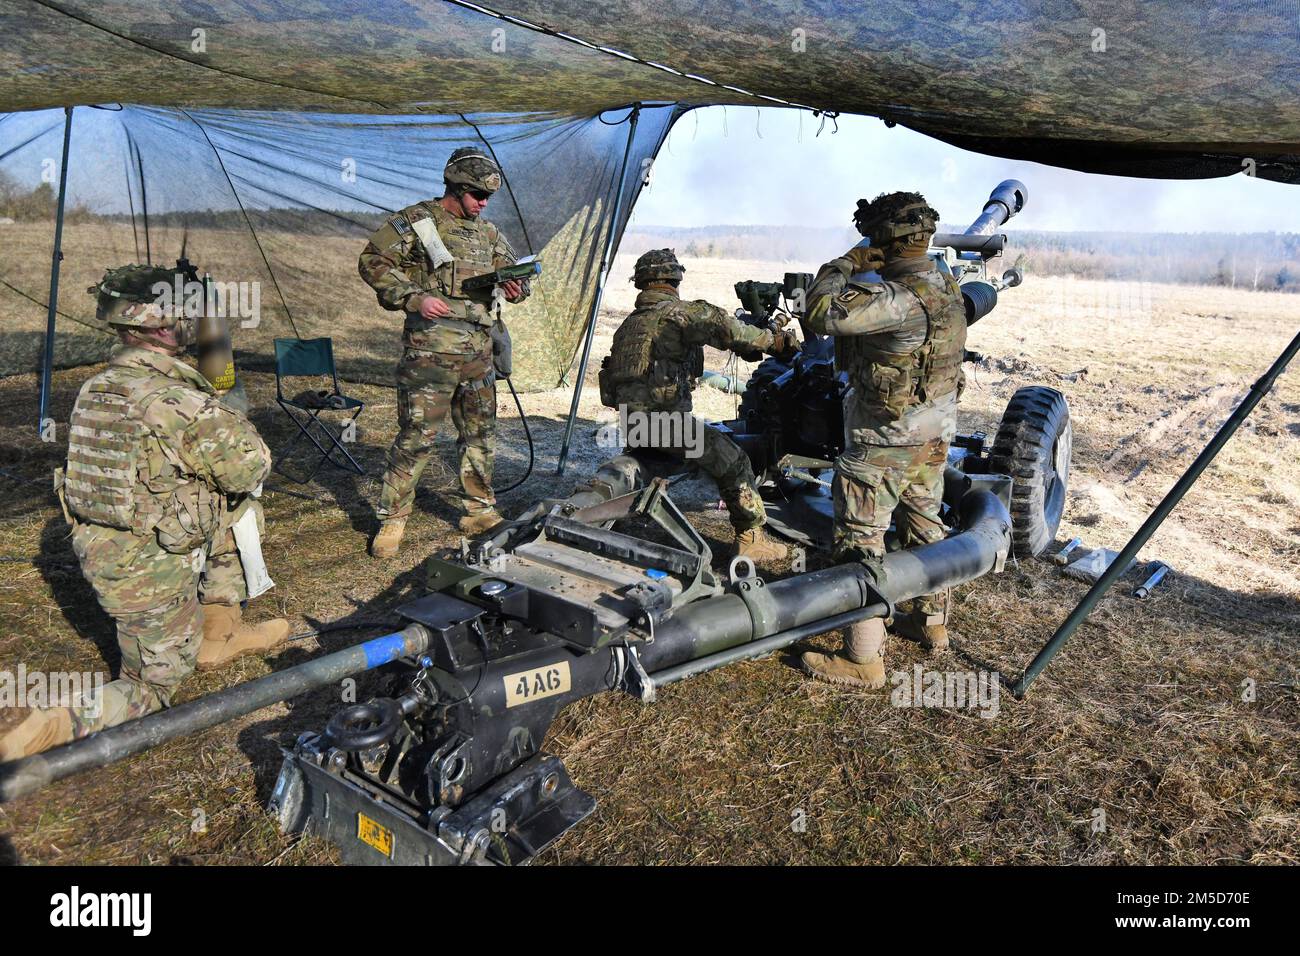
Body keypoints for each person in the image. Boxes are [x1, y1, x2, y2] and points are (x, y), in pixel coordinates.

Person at [0, 265, 289, 760]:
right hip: (148, 574)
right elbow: (252, 467)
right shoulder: (177, 401)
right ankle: (45, 726)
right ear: (162, 327)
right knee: (151, 690)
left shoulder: (98, 388)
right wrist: (221, 406)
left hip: (108, 551)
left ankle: (218, 634)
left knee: (235, 514)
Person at [798, 192, 967, 688]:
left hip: (882, 444)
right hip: (934, 438)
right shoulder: (947, 287)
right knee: (925, 526)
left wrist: (845, 263)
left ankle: (863, 659)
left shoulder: (892, 300)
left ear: (882, 240)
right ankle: (932, 625)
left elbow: (821, 312)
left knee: (860, 543)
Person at [359, 146, 530, 557]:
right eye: (478, 196)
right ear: (456, 188)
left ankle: (480, 510)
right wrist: (413, 298)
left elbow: (517, 280)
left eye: (487, 198)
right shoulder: (419, 222)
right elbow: (372, 261)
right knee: (417, 437)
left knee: (480, 435)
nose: (484, 204)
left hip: (478, 353)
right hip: (430, 354)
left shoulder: (489, 233)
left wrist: (516, 287)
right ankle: (392, 520)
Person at [599, 248, 797, 564]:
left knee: (666, 458)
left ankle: (624, 509)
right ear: (674, 279)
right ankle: (752, 539)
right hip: (666, 426)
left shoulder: (631, 324)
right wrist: (776, 340)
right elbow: (734, 332)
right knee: (733, 461)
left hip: (633, 425)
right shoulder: (680, 314)